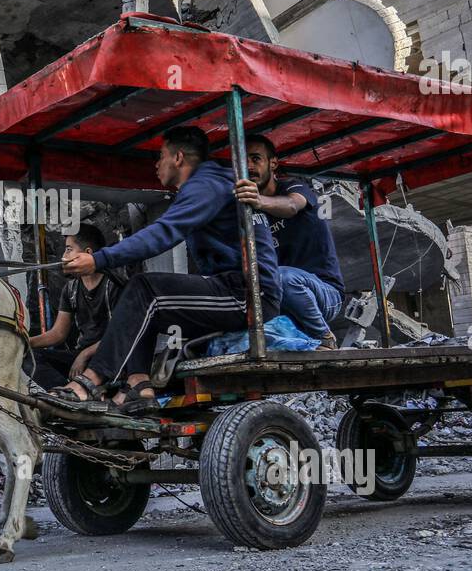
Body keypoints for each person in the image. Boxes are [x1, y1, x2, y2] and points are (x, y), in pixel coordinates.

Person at [51, 126, 281, 414]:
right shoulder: (208, 184)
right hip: (229, 287)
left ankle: (90, 382)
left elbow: (164, 232)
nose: (156, 164)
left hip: (248, 296)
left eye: (160, 156)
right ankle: (138, 387)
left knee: (145, 289)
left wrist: (100, 259)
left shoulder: (206, 185)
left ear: (178, 158)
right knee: (142, 298)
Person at [234, 135, 344, 349]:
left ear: (273, 163)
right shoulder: (247, 212)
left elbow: (293, 205)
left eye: (255, 159)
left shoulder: (295, 188)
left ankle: (324, 337)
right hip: (281, 298)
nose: (249, 166)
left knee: (282, 277)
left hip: (325, 294)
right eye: (242, 162)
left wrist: (259, 201)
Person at [26, 224, 124, 390]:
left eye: (69, 249)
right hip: (81, 358)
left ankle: (76, 392)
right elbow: (58, 334)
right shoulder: (71, 289)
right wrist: (24, 342)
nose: (64, 256)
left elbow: (121, 336)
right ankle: (68, 393)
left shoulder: (114, 285)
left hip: (110, 357)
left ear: (87, 253)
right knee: (29, 358)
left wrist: (84, 355)